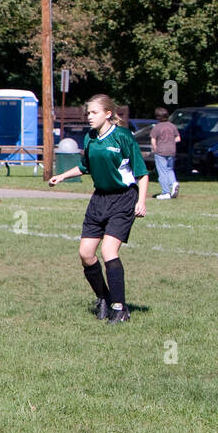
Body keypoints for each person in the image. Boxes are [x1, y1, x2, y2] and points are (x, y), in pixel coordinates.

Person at [47, 94, 149, 324]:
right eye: (88, 113)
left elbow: (142, 173)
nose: (89, 117)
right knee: (85, 254)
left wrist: (141, 201)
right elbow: (85, 166)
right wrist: (62, 176)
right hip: (99, 200)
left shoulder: (123, 137)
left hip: (123, 199)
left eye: (93, 112)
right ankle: (103, 298)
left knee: (109, 251)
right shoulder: (90, 138)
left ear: (108, 114)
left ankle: (120, 308)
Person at [150, 107, 181, 200]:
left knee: (162, 172)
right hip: (172, 151)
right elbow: (178, 138)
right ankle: (173, 183)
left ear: (157, 117)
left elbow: (153, 139)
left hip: (161, 151)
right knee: (170, 169)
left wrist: (155, 149)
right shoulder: (172, 126)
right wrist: (170, 141)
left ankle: (165, 192)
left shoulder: (157, 127)